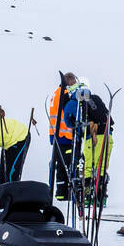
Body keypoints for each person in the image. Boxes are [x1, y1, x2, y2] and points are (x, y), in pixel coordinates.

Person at [47, 72, 77, 200]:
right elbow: (69, 112)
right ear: (69, 81)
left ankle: (60, 193)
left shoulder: (56, 93)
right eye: (74, 82)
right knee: (67, 165)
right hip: (64, 135)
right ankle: (65, 194)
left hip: (55, 135)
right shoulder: (64, 94)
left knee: (59, 165)